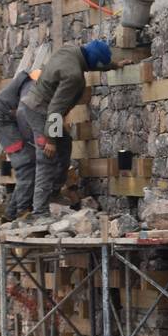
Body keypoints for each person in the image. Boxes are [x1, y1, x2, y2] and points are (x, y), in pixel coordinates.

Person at [17, 40, 120, 216]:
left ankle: (54, 192)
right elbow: (55, 109)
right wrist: (50, 140)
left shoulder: (70, 50)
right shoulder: (73, 77)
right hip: (40, 111)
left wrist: (113, 66)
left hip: (36, 105)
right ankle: (40, 212)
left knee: (65, 144)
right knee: (47, 158)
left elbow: (87, 62)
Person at [0, 67, 40, 221]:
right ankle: (22, 211)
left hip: (5, 118)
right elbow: (23, 112)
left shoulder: (30, 82)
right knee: (25, 163)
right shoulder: (31, 85)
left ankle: (10, 215)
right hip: (3, 120)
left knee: (29, 163)